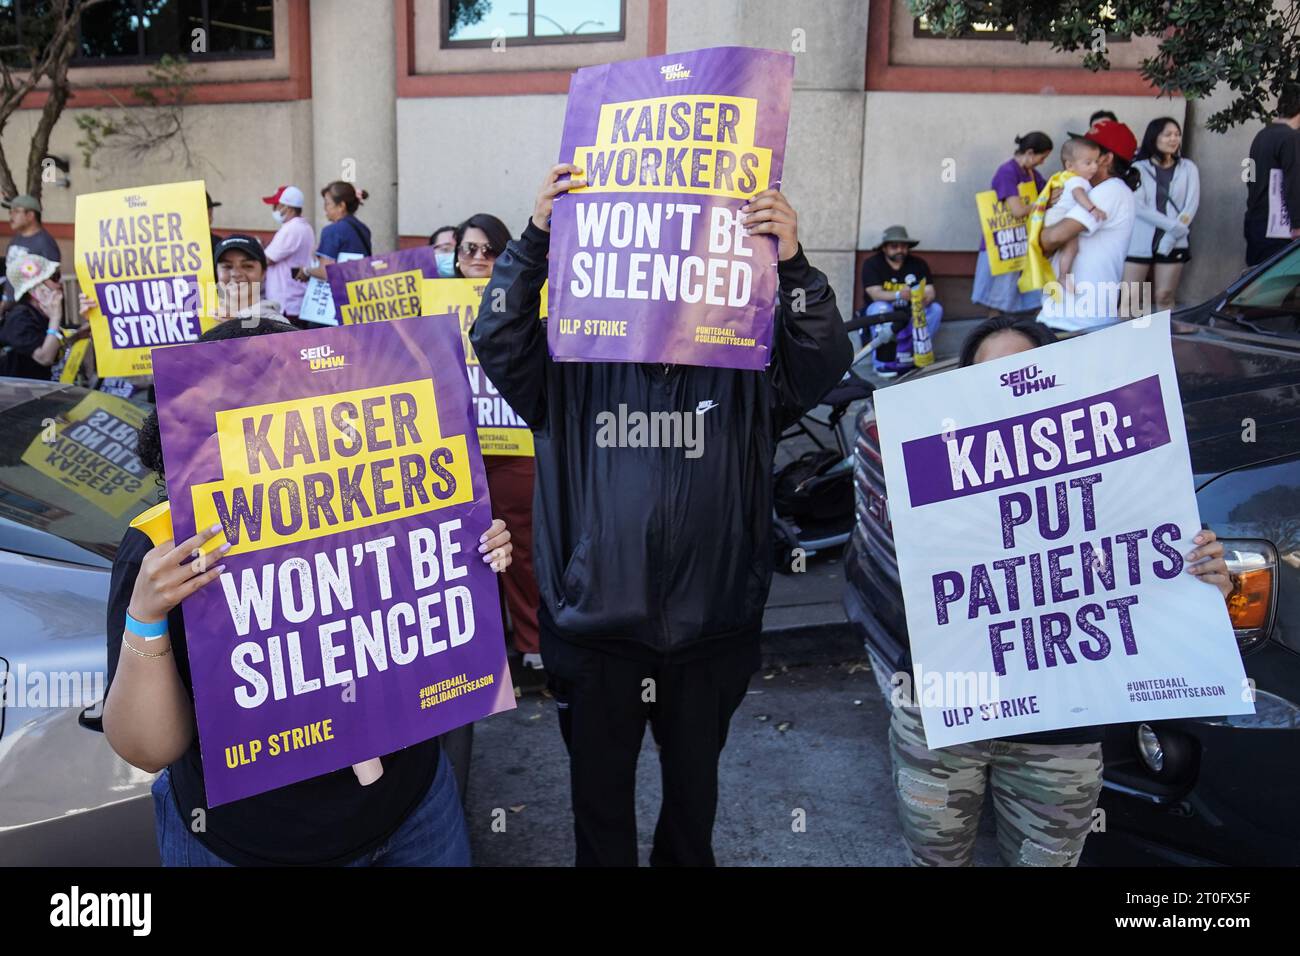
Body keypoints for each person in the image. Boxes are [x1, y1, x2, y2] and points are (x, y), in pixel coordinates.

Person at [470, 164, 852, 867]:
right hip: (594, 635)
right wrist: (535, 238)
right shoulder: (570, 358)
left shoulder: (743, 359)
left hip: (713, 632)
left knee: (692, 812)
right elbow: (496, 336)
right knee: (600, 817)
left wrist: (793, 261)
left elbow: (824, 357)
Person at [102, 318, 517, 867]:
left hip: (414, 812)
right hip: (249, 846)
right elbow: (148, 749)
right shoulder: (163, 550)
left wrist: (472, 553)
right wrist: (146, 615)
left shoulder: (385, 501)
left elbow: (448, 648)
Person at [887, 314, 1238, 867]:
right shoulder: (935, 472)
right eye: (985, 378)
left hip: (1060, 736)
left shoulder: (1122, 483)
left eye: (1021, 372)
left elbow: (1146, 575)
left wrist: (1201, 586)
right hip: (943, 716)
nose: (1004, 391)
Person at [453, 214, 543, 673]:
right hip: (456, 455)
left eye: (490, 251)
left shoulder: (526, 304)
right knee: (465, 552)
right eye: (469, 249)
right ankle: (476, 647)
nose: (478, 258)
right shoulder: (437, 307)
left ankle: (531, 639)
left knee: (521, 547)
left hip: (513, 449)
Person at [1036, 120, 1139, 331]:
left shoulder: (1112, 190)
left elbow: (1051, 239)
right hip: (1064, 317)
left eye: (1089, 153)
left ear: (1107, 159)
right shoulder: (1087, 191)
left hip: (1079, 323)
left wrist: (1041, 234)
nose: (1078, 158)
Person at [971, 132, 1053, 317]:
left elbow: (1047, 191)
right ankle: (990, 338)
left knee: (1029, 298)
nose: (1043, 162)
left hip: (1020, 243)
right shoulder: (1006, 172)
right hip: (1003, 246)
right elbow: (1018, 210)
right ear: (1030, 152)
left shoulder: (1031, 173)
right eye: (1043, 157)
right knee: (998, 302)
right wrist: (1044, 204)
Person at [1124, 117, 1200, 313]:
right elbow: (1138, 207)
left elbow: (1190, 205)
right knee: (1129, 299)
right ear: (1154, 137)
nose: (1173, 139)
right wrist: (1173, 226)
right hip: (1140, 242)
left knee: (1164, 296)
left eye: (1177, 135)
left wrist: (1171, 234)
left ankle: (1167, 340)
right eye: (1168, 134)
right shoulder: (1138, 168)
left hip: (1175, 241)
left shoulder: (1188, 168)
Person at [860, 225, 942, 376]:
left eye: (904, 246)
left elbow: (930, 290)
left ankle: (916, 354)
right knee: (880, 308)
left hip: (912, 311)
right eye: (894, 246)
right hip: (885, 312)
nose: (900, 250)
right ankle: (882, 363)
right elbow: (874, 293)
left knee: (935, 309)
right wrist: (898, 295)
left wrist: (923, 299)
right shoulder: (872, 264)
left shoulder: (918, 263)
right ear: (884, 248)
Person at [1041, 138, 1106, 295]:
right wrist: (1092, 209)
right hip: (1059, 216)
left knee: (1063, 250)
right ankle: (1064, 276)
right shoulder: (1077, 180)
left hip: (1054, 216)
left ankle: (1058, 277)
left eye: (1096, 162)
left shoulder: (1071, 178)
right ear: (1070, 166)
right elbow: (1079, 195)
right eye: (1088, 163)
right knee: (1072, 247)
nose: (1094, 167)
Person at [1244, 84, 1300, 266]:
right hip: (1280, 231)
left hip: (1256, 223)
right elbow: (1294, 182)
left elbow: (1248, 175)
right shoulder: (1291, 138)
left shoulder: (1261, 135)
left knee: (1256, 285)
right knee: (1277, 290)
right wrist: (1297, 223)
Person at [0, 253, 64, 379]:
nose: (60, 283)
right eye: (55, 277)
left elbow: (53, 340)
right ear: (36, 288)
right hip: (20, 395)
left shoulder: (40, 311)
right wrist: (55, 318)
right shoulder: (19, 319)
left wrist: (79, 334)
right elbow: (45, 357)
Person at [261, 185, 315, 324]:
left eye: (277, 206)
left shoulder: (292, 228)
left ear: (288, 207)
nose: (276, 210)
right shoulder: (304, 226)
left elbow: (267, 259)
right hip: (294, 299)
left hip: (286, 303)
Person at [303, 182, 371, 280]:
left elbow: (326, 272)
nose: (325, 208)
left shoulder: (332, 231)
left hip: (340, 292)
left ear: (341, 206)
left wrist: (306, 271)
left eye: (327, 203)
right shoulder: (363, 228)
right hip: (359, 291)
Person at [3, 194, 60, 305]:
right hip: (12, 307)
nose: (11, 216)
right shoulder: (15, 240)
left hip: (33, 312)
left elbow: (52, 282)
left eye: (16, 211)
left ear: (30, 215)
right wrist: (5, 301)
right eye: (10, 212)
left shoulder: (45, 243)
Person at [214, 234, 285, 324]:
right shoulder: (200, 317)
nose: (236, 274)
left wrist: (237, 327)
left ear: (263, 273)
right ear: (216, 272)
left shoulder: (278, 324)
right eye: (227, 266)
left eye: (247, 266)